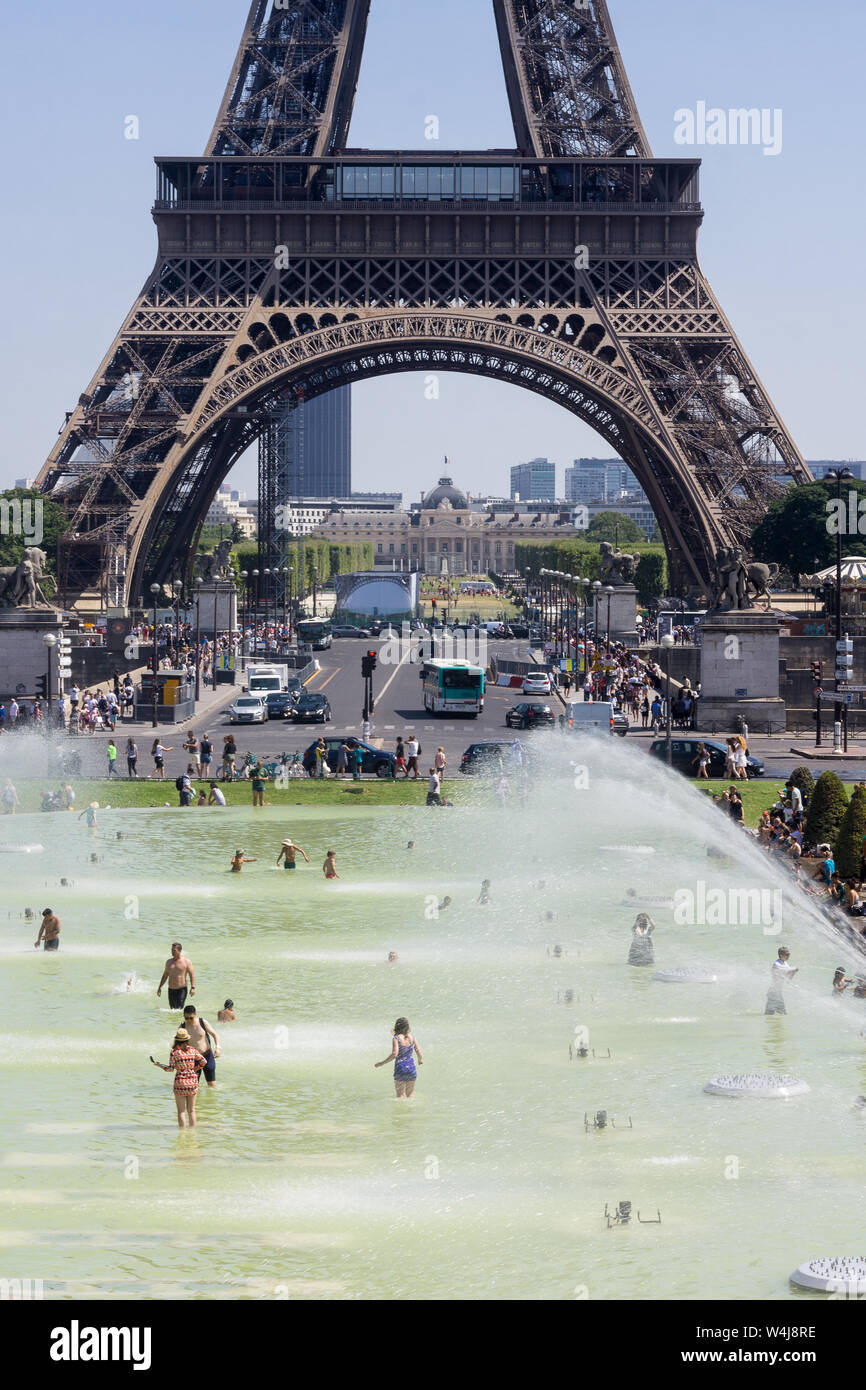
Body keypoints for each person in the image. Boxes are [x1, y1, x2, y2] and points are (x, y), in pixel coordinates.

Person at [151, 1028, 206, 1128]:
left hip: (180, 1082)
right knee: (192, 1110)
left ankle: (182, 1135)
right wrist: (195, 1069)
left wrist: (159, 1065)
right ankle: (192, 1133)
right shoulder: (192, 1050)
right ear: (187, 1039)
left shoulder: (174, 1052)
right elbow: (204, 1061)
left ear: (176, 1040)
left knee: (181, 1112)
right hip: (193, 1082)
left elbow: (170, 1069)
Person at [374, 1016, 423, 1100]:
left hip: (400, 1068)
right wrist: (420, 1060)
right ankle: (411, 1111)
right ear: (408, 1027)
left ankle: (400, 1112)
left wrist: (382, 1063)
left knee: (400, 1095)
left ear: (397, 1027)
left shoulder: (396, 1038)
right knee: (410, 1094)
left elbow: (394, 1054)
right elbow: (418, 1051)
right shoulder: (412, 1038)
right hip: (411, 1068)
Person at [181, 1004, 220, 1089]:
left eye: (191, 1018)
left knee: (212, 1086)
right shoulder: (183, 1026)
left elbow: (214, 1034)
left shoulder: (202, 1022)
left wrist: (218, 1048)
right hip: (193, 1059)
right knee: (193, 1086)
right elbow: (178, 1043)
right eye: (186, 1018)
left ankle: (211, 1102)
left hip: (207, 1056)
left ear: (195, 1014)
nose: (188, 1020)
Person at [157, 942, 195, 1010]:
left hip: (182, 989)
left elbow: (191, 975)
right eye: (171, 950)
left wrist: (192, 988)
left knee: (179, 1009)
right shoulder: (169, 962)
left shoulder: (186, 962)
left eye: (174, 950)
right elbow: (165, 975)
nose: (172, 952)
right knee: (173, 1009)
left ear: (180, 951)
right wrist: (160, 987)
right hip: (171, 989)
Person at [765, 945, 798, 1015]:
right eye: (786, 955)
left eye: (788, 955)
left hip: (776, 993)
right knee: (783, 1014)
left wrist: (794, 972)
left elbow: (788, 978)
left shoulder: (785, 964)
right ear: (780, 955)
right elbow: (782, 969)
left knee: (769, 1015)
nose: (788, 956)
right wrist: (792, 969)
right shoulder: (776, 964)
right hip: (774, 993)